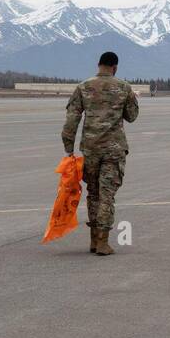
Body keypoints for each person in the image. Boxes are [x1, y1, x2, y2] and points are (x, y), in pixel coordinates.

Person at [61, 51, 139, 256]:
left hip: (90, 149)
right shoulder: (124, 87)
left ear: (98, 65)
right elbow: (132, 116)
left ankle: (94, 239)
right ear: (115, 67)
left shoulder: (83, 87)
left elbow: (71, 121)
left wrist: (69, 149)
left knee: (93, 193)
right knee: (107, 195)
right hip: (113, 151)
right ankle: (103, 241)